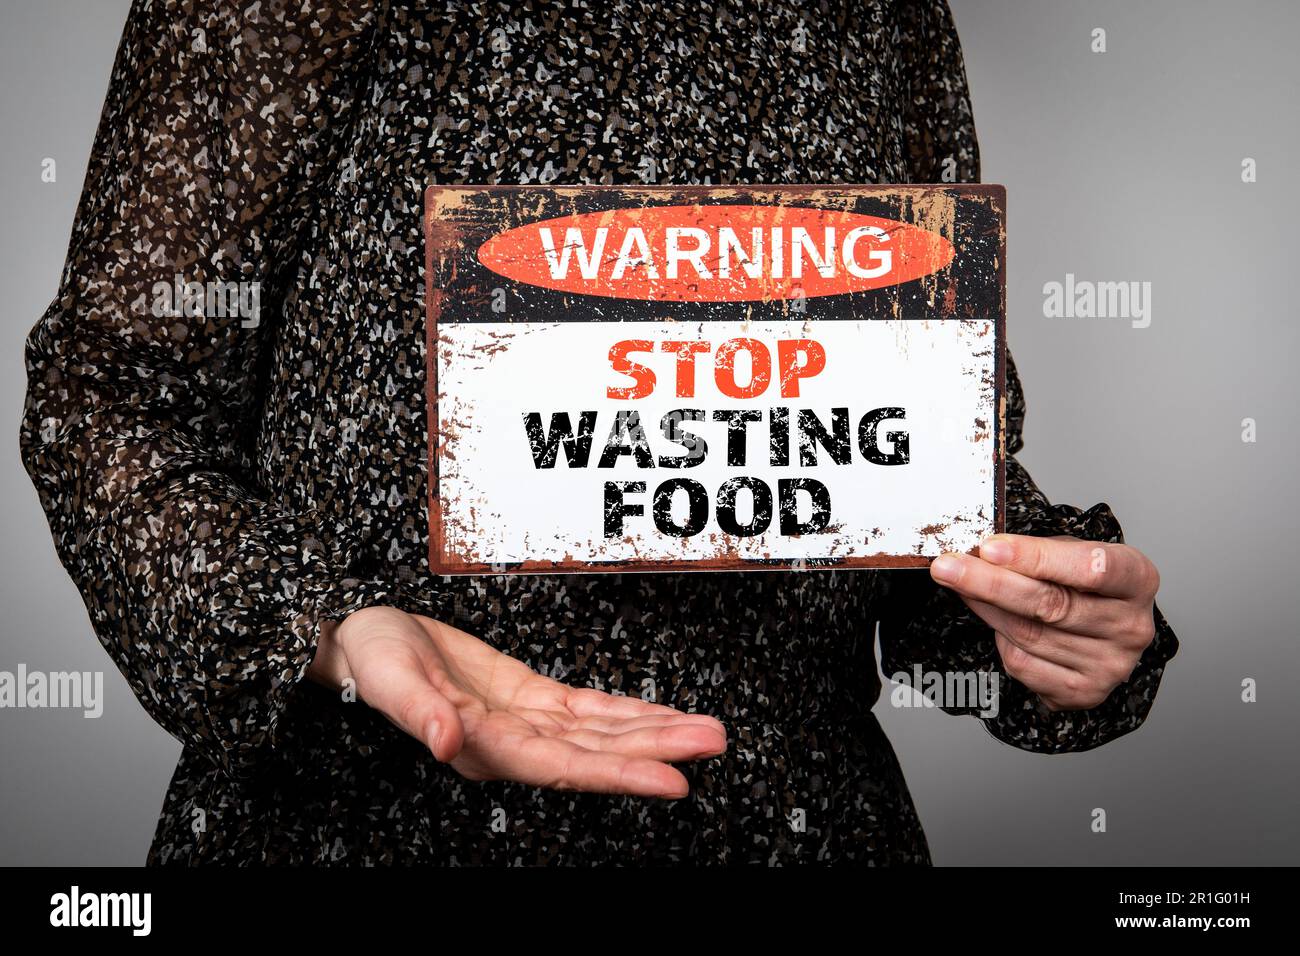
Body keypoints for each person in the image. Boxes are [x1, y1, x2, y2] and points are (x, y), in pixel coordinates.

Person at [20, 0, 1177, 865]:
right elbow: (107, 393)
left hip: (789, 825)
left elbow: (899, 464)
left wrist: (1041, 617)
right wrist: (316, 624)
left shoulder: (883, 15)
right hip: (368, 816)